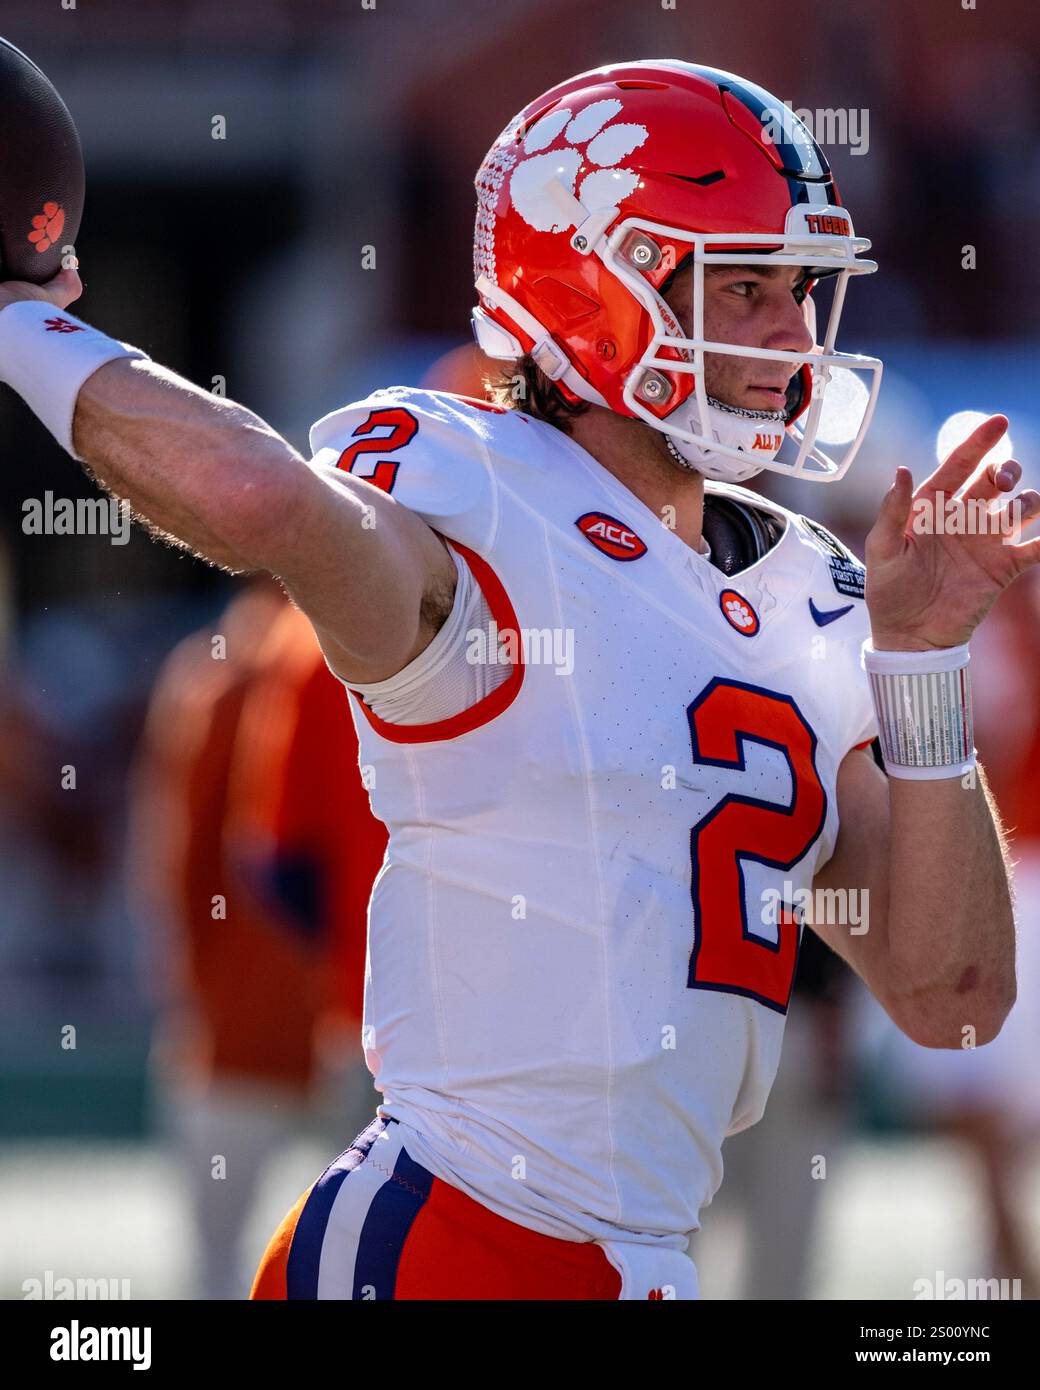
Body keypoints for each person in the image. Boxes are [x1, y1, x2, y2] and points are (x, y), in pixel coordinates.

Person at [0, 60, 1033, 1301]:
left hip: (643, 1256)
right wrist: (17, 320)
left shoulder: (804, 587)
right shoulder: (478, 495)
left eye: (802, 293)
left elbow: (952, 996)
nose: (789, 339)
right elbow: (256, 496)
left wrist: (921, 667)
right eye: (743, 288)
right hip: (450, 1232)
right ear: (592, 283)